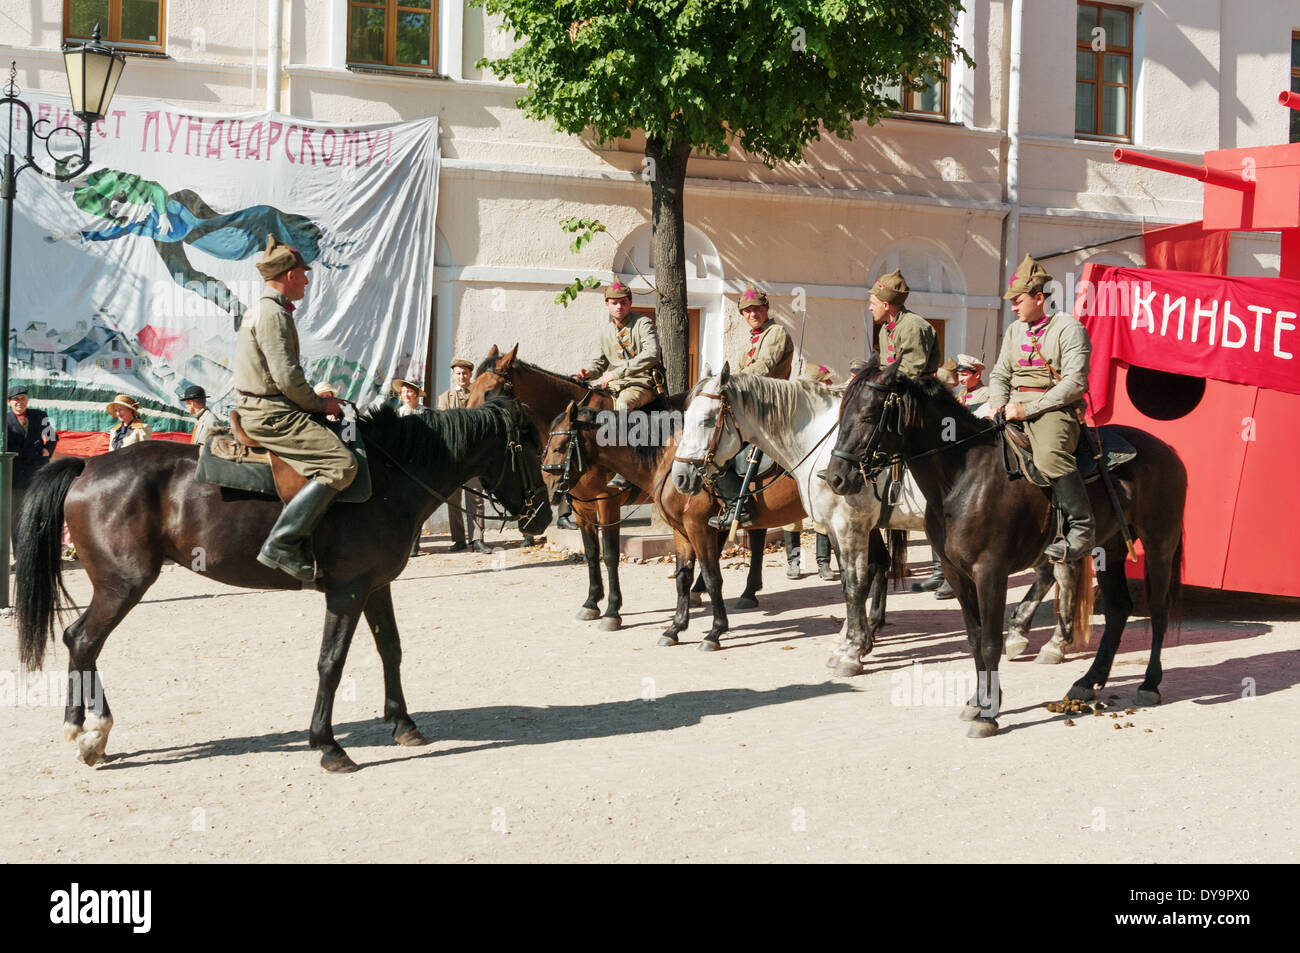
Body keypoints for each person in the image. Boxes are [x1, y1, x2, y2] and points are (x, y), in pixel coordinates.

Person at [234, 234, 355, 582]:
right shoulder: (273, 314)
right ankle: (282, 544)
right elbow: (287, 379)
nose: (306, 280)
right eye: (303, 274)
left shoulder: (263, 309)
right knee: (342, 465)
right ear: (289, 276)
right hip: (271, 414)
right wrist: (321, 403)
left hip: (266, 407)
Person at [987, 253, 1094, 563]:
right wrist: (996, 403)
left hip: (1054, 408)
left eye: (1018, 300)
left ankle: (1081, 530)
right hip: (1011, 406)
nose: (1013, 307)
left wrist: (1027, 409)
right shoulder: (1014, 331)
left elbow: (1075, 383)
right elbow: (999, 374)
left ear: (1038, 297)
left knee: (1049, 456)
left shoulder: (1068, 328)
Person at [711, 282, 794, 530]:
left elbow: (763, 368)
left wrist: (730, 382)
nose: (752, 314)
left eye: (757, 309)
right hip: (751, 406)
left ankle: (742, 508)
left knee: (719, 453)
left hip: (768, 406)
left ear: (766, 309)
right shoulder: (752, 342)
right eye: (747, 311)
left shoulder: (776, 333)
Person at [575, 280, 662, 489]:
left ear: (630, 302)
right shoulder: (605, 332)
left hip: (642, 384)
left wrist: (617, 372)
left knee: (622, 405)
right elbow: (599, 364)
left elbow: (652, 354)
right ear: (607, 304)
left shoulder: (643, 324)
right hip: (614, 385)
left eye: (623, 302)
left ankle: (626, 469)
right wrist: (588, 373)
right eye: (614, 303)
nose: (619, 307)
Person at [782, 365, 837, 580]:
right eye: (826, 381)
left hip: (820, 464)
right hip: (797, 466)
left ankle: (823, 563)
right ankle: (795, 562)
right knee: (792, 519)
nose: (830, 384)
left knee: (821, 518)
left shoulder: (828, 405)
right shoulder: (797, 406)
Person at [435, 360, 489, 554]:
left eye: (465, 373)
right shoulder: (444, 398)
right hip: (452, 456)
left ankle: (477, 539)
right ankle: (458, 539)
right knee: (452, 498)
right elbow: (441, 426)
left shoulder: (480, 397)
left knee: (476, 497)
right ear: (453, 375)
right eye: (458, 374)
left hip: (473, 456)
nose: (462, 377)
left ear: (470, 375)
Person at [7, 385, 58, 552]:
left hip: (37, 472)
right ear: (9, 402)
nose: (20, 403)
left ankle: (40, 551)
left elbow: (52, 436)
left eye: (23, 399)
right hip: (15, 475)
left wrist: (47, 450)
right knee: (16, 515)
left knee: (40, 512)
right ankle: (20, 554)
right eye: (16, 400)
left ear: (27, 400)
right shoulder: (4, 419)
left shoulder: (39, 416)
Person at [869, 269, 939, 380]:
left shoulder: (913, 326)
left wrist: (882, 382)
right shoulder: (885, 329)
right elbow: (884, 367)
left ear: (886, 305)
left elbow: (910, 371)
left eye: (873, 304)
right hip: (894, 388)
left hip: (918, 391)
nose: (870, 308)